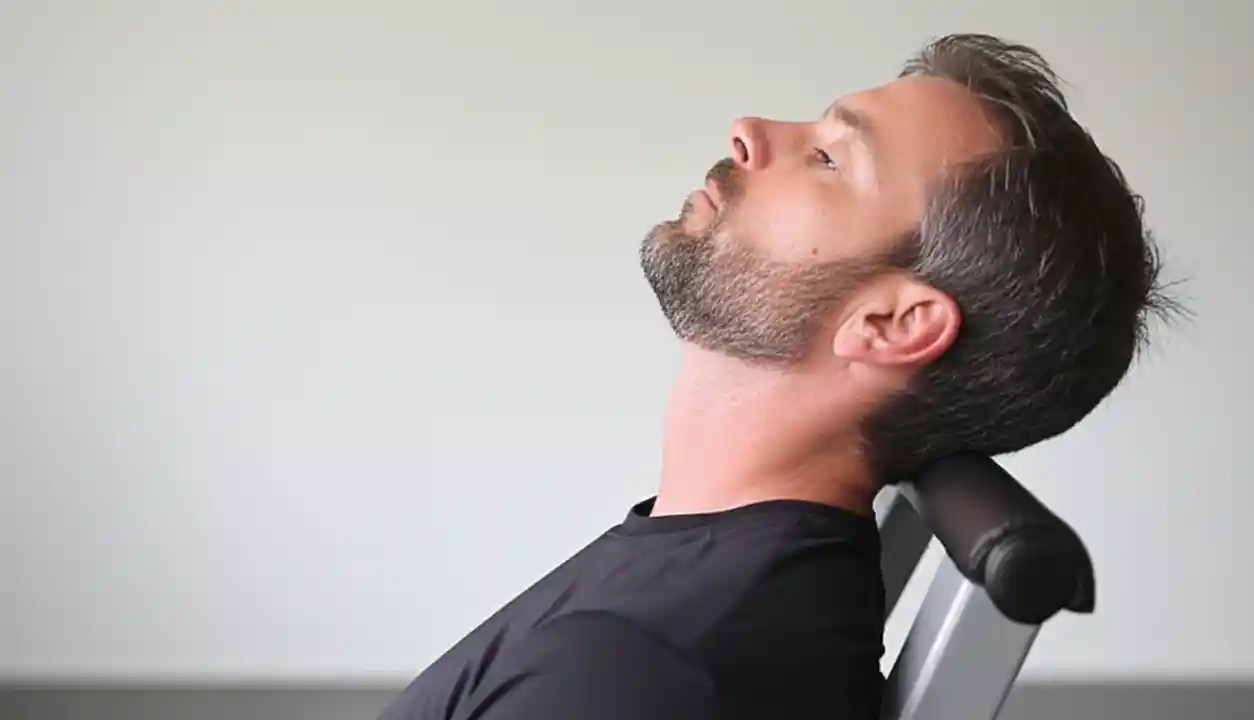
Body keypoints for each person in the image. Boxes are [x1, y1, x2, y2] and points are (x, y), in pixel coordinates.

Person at [378, 33, 1173, 720]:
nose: (748, 132)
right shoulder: (691, 603)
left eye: (829, 158)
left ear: (892, 324)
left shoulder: (637, 670)